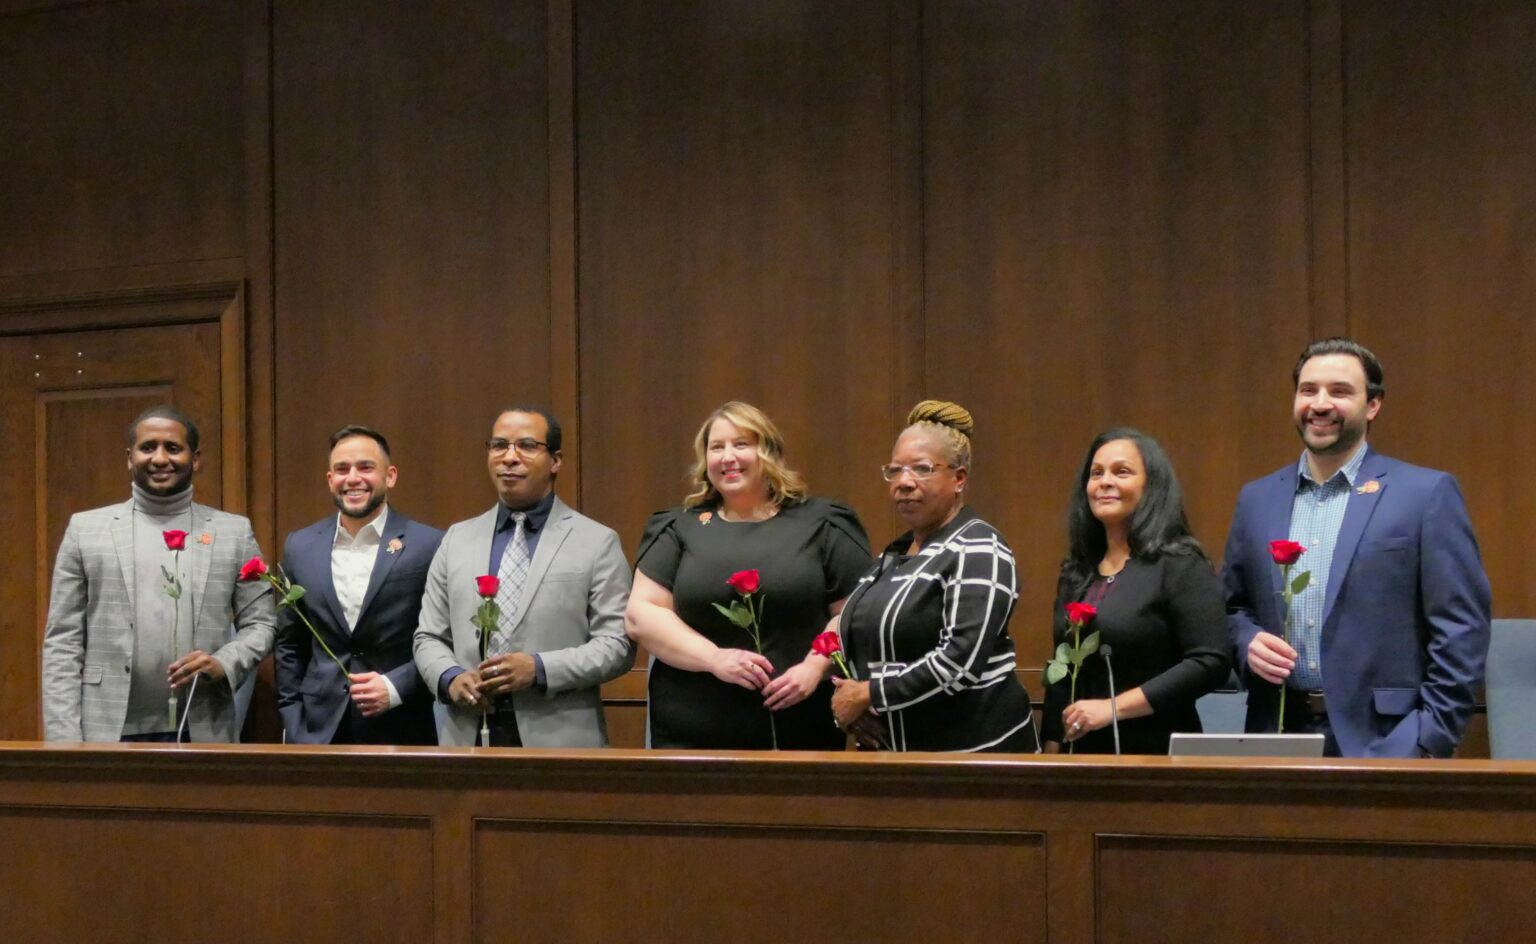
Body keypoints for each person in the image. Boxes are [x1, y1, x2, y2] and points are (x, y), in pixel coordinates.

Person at [1223, 338, 1491, 757]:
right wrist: (1247, 642)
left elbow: (1461, 630)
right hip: (1276, 734)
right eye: (1308, 390)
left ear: (1373, 405)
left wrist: (1428, 738)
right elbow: (1230, 608)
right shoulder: (1257, 499)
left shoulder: (1425, 494)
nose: (1320, 404)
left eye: (1340, 391)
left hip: (1387, 742)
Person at [627, 401, 871, 750]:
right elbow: (641, 615)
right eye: (716, 447)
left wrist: (813, 669)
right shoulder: (677, 526)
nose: (727, 457)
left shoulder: (825, 523)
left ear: (768, 452)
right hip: (691, 732)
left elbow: (853, 614)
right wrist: (714, 659)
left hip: (800, 726)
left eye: (741, 444)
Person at [41, 405, 275, 742]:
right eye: (148, 447)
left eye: (173, 448)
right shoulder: (85, 530)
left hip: (202, 729)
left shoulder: (233, 533)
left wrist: (224, 661)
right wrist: (63, 741)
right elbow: (63, 642)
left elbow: (263, 623)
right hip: (104, 733)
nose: (160, 458)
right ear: (129, 458)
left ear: (195, 459)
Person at [413, 407, 633, 747]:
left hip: (560, 741)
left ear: (555, 460)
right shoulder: (457, 539)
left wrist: (539, 668)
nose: (509, 457)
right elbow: (428, 635)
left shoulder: (597, 542)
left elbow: (617, 645)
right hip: (466, 736)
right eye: (499, 445)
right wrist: (449, 676)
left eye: (527, 446)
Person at [830, 400, 1037, 753]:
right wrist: (853, 704)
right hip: (899, 758)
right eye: (895, 470)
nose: (904, 482)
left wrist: (869, 693)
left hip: (972, 761)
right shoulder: (893, 555)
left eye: (922, 469)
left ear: (959, 478)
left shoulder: (978, 546)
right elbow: (861, 640)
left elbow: (960, 660)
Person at [1041, 428, 1230, 754]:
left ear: (1151, 486)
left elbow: (1210, 662)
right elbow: (1062, 669)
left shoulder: (1179, 563)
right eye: (1096, 473)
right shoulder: (1077, 572)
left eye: (1121, 472)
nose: (1105, 482)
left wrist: (1114, 708)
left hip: (1156, 752)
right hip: (1082, 755)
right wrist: (1051, 755)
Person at [273, 426, 444, 745]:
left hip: (402, 727)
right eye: (342, 469)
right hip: (317, 732)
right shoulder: (300, 546)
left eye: (366, 467)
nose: (353, 478)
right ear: (330, 480)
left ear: (390, 476)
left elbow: (445, 638)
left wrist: (397, 686)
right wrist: (292, 718)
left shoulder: (429, 544)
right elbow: (290, 643)